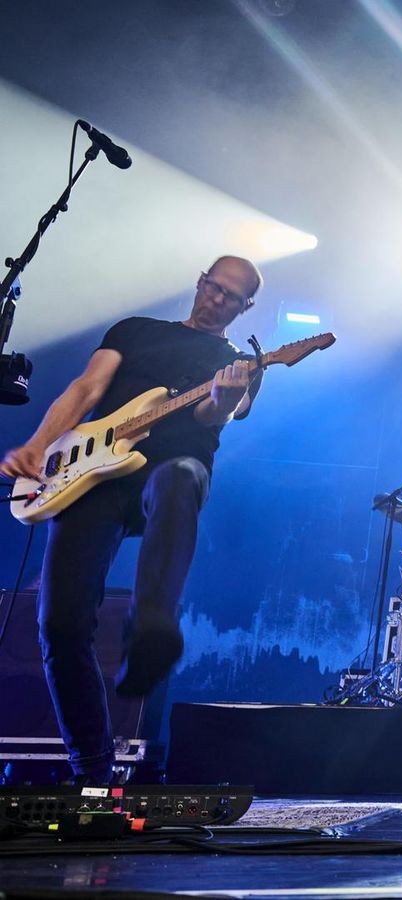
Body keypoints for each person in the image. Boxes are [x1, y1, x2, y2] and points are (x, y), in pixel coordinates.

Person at [0, 256, 266, 783]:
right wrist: (37, 446)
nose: (216, 300)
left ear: (246, 307)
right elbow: (85, 390)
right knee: (59, 625)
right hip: (90, 473)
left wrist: (225, 398)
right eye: (213, 287)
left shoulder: (239, 363)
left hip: (168, 470)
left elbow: (217, 416)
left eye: (231, 297)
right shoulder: (136, 330)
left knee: (181, 476)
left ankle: (153, 623)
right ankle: (93, 772)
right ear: (200, 281)